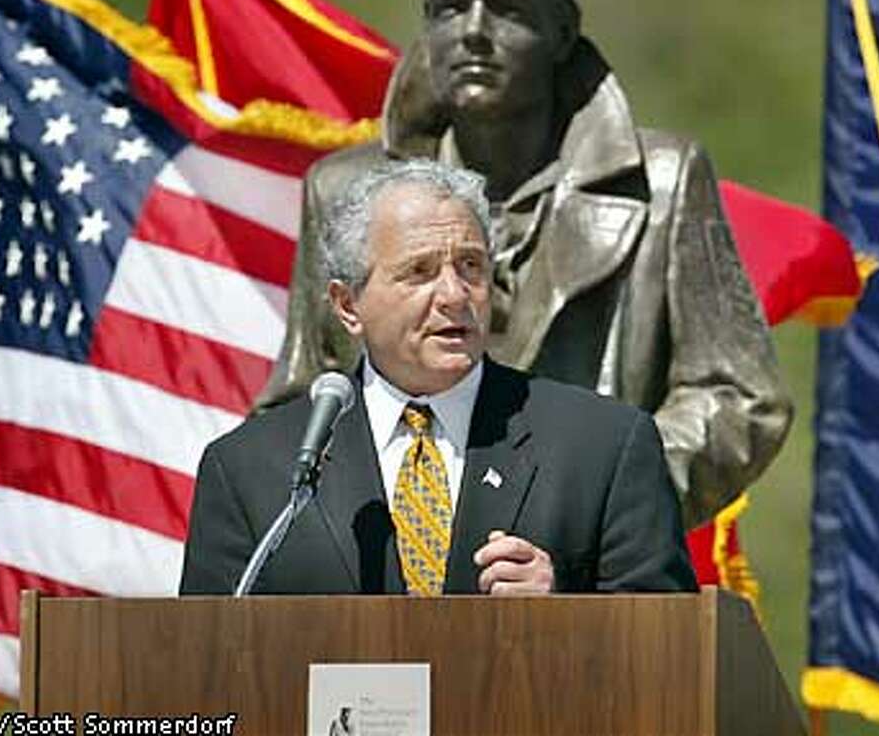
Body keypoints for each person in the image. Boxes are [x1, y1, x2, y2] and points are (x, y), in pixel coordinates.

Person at [253, 0, 791, 527]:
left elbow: (741, 399)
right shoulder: (345, 191)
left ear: (562, 35)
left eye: (507, 12)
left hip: (583, 585)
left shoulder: (662, 183)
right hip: (395, 571)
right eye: (450, 9)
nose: (474, 33)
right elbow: (303, 400)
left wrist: (596, 503)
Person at [180, 162, 697, 595]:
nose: (454, 294)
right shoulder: (252, 471)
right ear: (347, 305)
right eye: (420, 271)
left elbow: (673, 648)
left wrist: (566, 608)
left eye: (470, 266)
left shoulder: (604, 445)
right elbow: (207, 668)